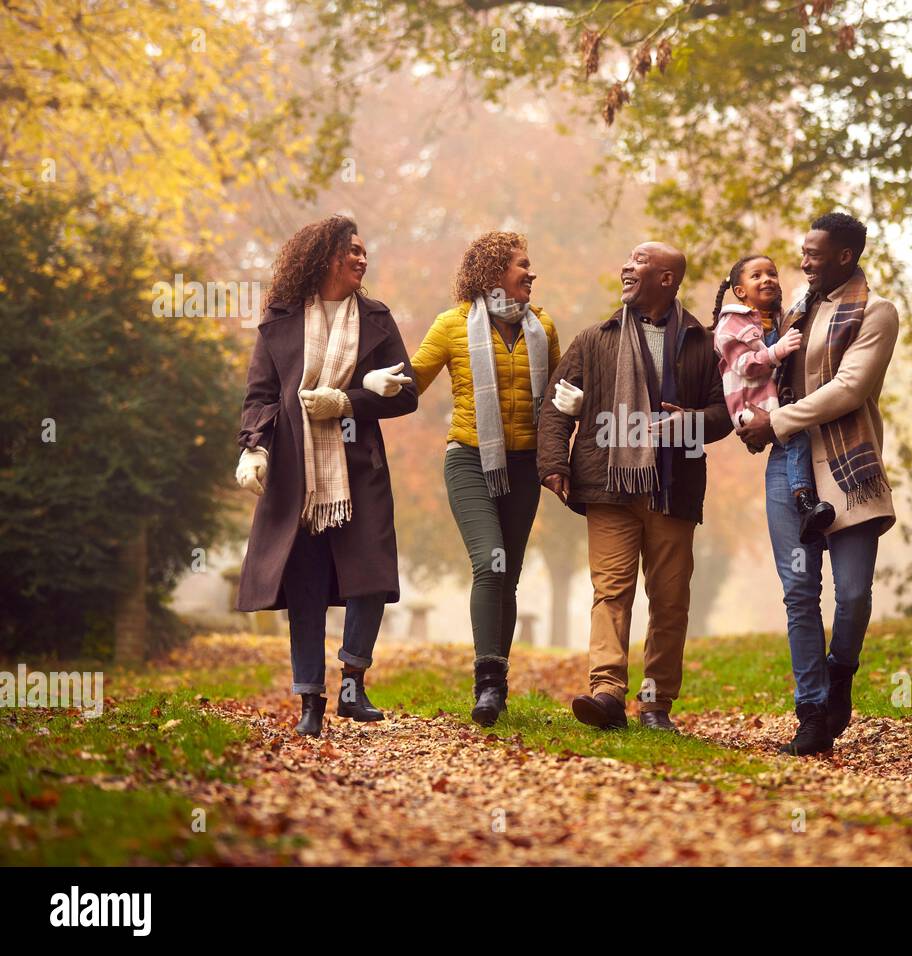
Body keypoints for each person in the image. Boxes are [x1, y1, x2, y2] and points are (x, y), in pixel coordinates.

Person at [536, 241, 732, 732]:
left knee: (669, 598)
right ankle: (605, 692)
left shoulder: (702, 342)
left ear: (667, 279)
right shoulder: (593, 339)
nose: (626, 265)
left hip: (673, 486)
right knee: (611, 590)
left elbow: (725, 412)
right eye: (627, 258)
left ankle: (655, 704)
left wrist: (689, 424)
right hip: (607, 484)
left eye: (639, 261)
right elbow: (556, 408)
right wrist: (555, 462)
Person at [235, 215, 418, 738]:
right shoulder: (282, 317)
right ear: (324, 257)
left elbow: (407, 394)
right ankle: (310, 698)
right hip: (297, 472)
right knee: (306, 582)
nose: (362, 259)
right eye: (352, 251)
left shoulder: (377, 318)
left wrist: (353, 398)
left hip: (359, 468)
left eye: (365, 251)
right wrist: (254, 449)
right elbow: (261, 396)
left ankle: (353, 680)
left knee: (371, 575)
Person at [736, 212, 899, 756]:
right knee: (801, 594)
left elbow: (850, 389)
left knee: (852, 594)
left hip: (848, 466)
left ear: (845, 256)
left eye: (814, 253)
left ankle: (840, 673)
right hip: (790, 466)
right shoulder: (793, 313)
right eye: (803, 252)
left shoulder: (877, 313)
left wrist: (776, 422)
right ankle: (811, 711)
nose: (802, 262)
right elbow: (746, 369)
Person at [410, 232, 561, 727]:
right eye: (523, 264)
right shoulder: (453, 324)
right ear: (495, 271)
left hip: (524, 466)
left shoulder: (544, 327)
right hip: (471, 459)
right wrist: (370, 384)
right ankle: (487, 684)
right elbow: (412, 379)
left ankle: (498, 681)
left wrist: (570, 413)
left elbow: (558, 402)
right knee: (491, 565)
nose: (531, 273)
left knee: (509, 575)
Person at [711, 253, 835, 544]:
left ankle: (810, 521)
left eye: (772, 273)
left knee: (797, 438)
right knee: (798, 438)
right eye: (756, 276)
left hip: (773, 402)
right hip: (750, 404)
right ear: (740, 291)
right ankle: (804, 502)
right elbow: (744, 366)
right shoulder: (731, 323)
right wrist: (777, 351)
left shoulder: (779, 318)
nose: (767, 279)